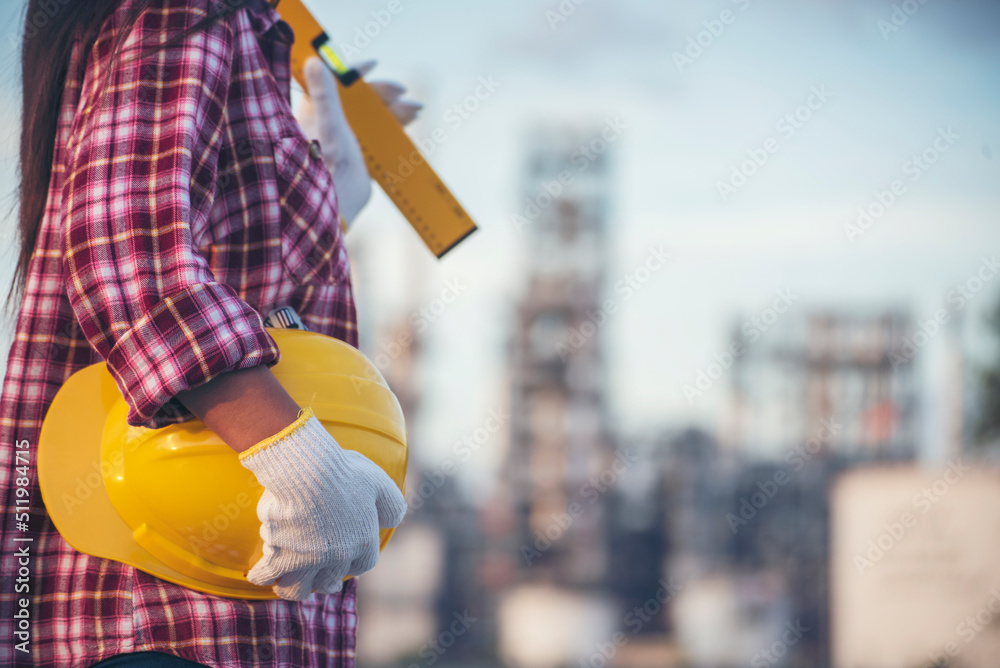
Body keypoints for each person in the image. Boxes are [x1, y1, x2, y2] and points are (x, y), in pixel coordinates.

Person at [0, 0, 422, 665]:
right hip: (163, 612)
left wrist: (325, 205)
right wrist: (298, 464)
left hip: (198, 603)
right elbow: (126, 246)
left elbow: (221, 263)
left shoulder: (233, 29)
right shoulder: (184, 10)